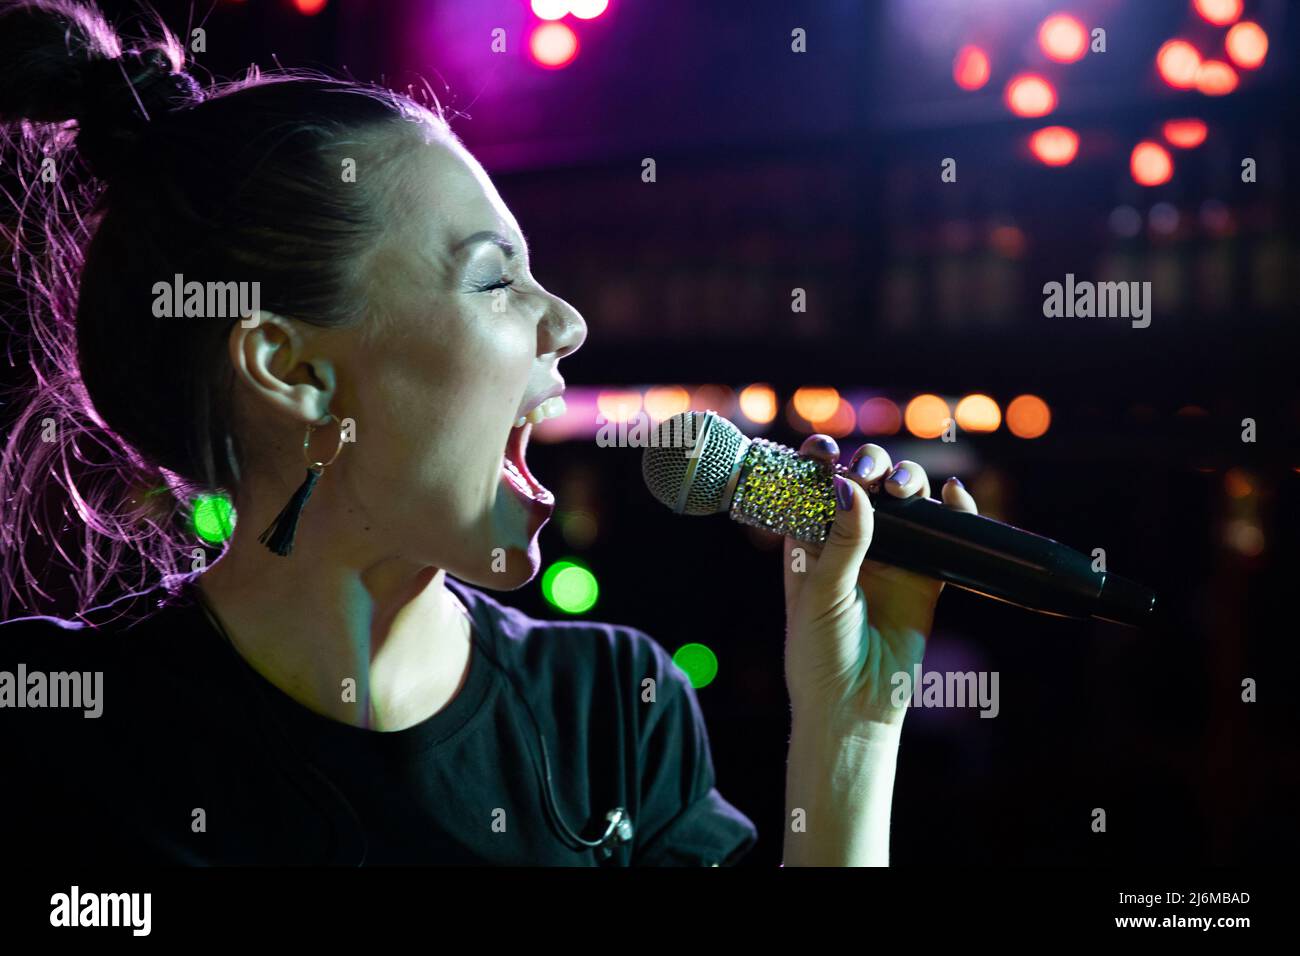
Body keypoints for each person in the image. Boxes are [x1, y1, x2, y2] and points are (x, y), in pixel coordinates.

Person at [0, 0, 980, 866]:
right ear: (291, 368)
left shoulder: (611, 710)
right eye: (493, 278)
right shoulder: (61, 726)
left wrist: (852, 733)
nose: (568, 322)